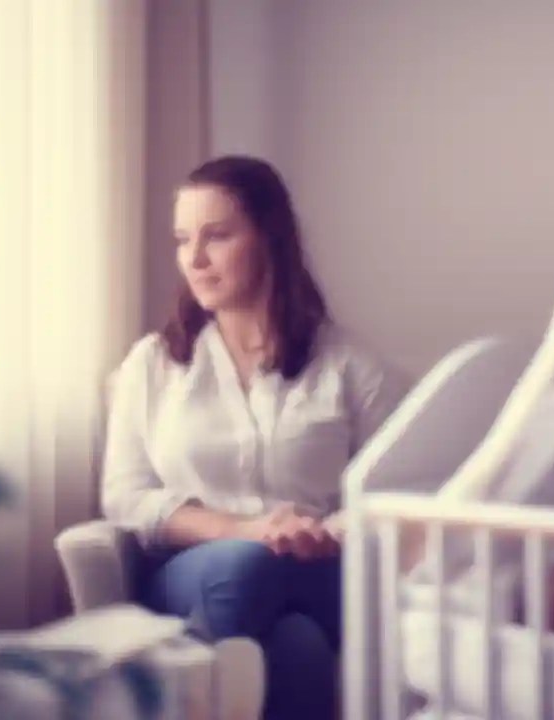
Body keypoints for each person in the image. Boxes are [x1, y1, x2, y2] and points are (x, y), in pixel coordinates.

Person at [101, 155, 408, 719]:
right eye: (182, 239)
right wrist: (245, 530)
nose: (193, 259)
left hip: (316, 570)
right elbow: (126, 496)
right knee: (246, 567)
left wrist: (325, 533)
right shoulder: (154, 365)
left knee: (301, 647)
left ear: (269, 238)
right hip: (197, 569)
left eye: (216, 236)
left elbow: (394, 492)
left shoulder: (348, 365)